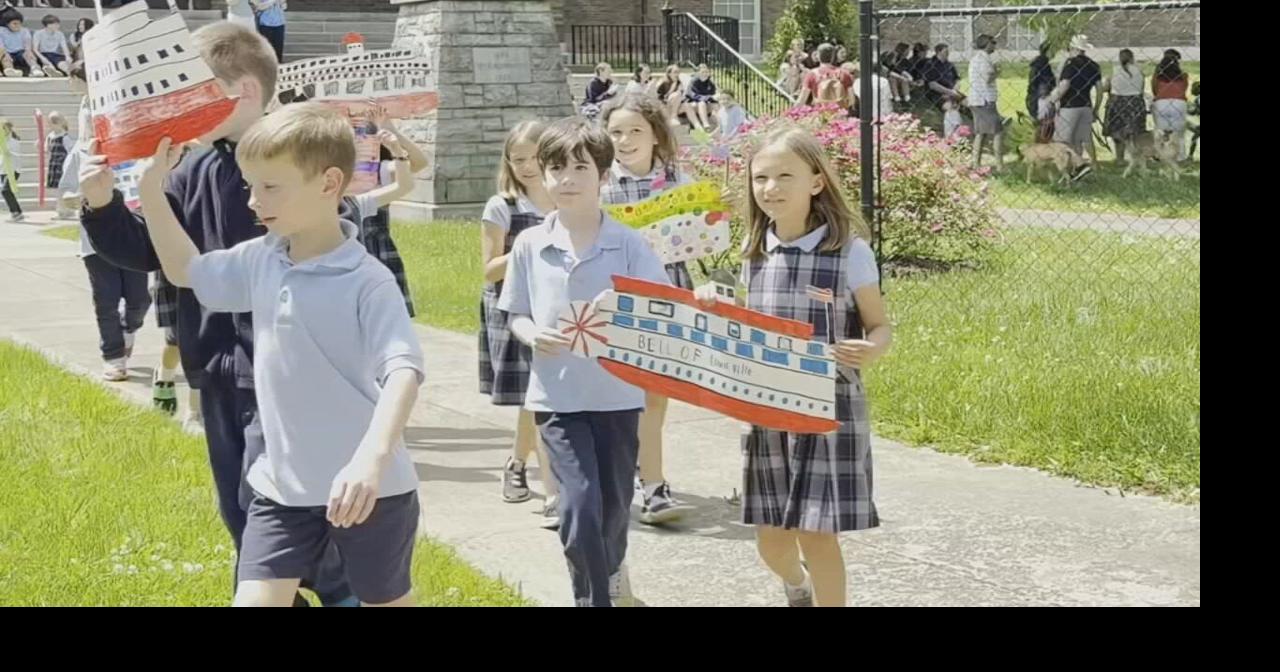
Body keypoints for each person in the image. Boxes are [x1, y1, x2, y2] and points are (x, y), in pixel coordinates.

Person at [80, 22, 355, 607]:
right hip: (217, 371)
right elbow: (150, 250)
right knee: (239, 512)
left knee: (276, 519)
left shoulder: (302, 162)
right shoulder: (194, 168)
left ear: (246, 91)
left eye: (194, 91)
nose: (181, 109)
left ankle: (340, 591)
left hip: (287, 371)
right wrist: (103, 203)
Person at [136, 103, 425, 607]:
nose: (252, 200)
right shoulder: (259, 259)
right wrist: (150, 194)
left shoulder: (367, 281)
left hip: (368, 492)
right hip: (280, 492)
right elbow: (186, 271)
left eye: (270, 187)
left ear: (329, 183)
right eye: (250, 185)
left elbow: (403, 371)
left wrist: (371, 461)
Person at [695, 127, 890, 607]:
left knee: (818, 534)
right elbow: (740, 319)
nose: (771, 188)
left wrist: (872, 348)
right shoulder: (752, 253)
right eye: (760, 177)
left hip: (829, 409)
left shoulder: (850, 253)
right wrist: (712, 304)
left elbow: (880, 327)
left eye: (785, 175)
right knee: (771, 541)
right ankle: (797, 586)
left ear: (817, 182)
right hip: (767, 410)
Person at [497, 117, 672, 606]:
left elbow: (660, 304)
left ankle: (613, 572)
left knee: (613, 509)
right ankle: (593, 598)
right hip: (557, 398)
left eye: (580, 167)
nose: (567, 179)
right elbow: (515, 312)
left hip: (617, 397)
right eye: (556, 168)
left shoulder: (629, 244)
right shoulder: (531, 244)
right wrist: (533, 334)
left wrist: (621, 310)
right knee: (578, 511)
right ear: (541, 175)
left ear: (603, 175)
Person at [600, 93, 697, 525]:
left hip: (667, 296)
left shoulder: (680, 180)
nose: (625, 140)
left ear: (657, 134)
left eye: (636, 130)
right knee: (615, 398)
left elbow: (703, 236)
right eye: (616, 131)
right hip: (614, 299)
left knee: (655, 397)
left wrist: (715, 214)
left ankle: (654, 486)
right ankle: (615, 478)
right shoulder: (598, 183)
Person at [481, 121, 560, 528]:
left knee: (541, 396)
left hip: (557, 307)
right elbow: (489, 269)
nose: (527, 167)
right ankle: (551, 490)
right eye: (518, 159)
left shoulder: (567, 198)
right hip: (516, 311)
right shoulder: (503, 206)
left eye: (534, 157)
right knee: (537, 397)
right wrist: (530, 246)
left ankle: (517, 462)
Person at [1048, 34, 1102, 177]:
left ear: (1072, 47)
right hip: (1086, 105)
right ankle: (1093, 166)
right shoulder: (1093, 65)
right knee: (1084, 138)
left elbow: (1065, 85)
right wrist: (1096, 107)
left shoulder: (1070, 64)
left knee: (1062, 140)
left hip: (1069, 106)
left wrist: (1052, 100)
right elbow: (1100, 89)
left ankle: (1079, 165)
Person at [967, 34, 1003, 171]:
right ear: (986, 44)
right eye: (993, 42)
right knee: (998, 131)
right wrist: (997, 70)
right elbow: (988, 78)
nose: (995, 45)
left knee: (981, 133)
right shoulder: (983, 59)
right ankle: (999, 165)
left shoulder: (976, 58)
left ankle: (976, 163)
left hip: (976, 99)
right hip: (985, 99)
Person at [1103, 48, 1146, 161]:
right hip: (1135, 102)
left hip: (1118, 103)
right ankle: (1135, 157)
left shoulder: (1114, 70)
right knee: (1134, 133)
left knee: (1118, 133)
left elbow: (1106, 87)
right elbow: (1141, 89)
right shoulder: (1139, 71)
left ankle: (1120, 158)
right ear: (1132, 58)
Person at [1152, 48, 1190, 160]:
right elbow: (1184, 89)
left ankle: (1159, 155)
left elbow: (1155, 90)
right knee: (1179, 133)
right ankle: (1181, 156)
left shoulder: (1157, 76)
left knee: (1160, 131)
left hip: (1161, 102)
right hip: (1179, 102)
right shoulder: (1183, 76)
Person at [797, 43, 853, 109]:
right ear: (833, 56)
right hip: (839, 115)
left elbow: (801, 100)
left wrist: (791, 113)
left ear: (818, 56)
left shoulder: (812, 74)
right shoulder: (845, 74)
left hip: (820, 115)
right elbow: (852, 100)